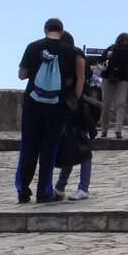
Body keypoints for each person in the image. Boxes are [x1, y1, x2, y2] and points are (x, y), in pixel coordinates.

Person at [16, 18, 84, 203]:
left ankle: (23, 190)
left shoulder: (33, 47)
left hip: (32, 104)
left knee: (28, 147)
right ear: (61, 31)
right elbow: (73, 81)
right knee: (48, 150)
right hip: (57, 106)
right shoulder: (70, 52)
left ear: (45, 29)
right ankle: (44, 192)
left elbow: (21, 75)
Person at [53, 80, 101, 201]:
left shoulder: (78, 61)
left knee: (83, 152)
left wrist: (75, 102)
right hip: (72, 106)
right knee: (69, 150)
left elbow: (79, 79)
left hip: (76, 110)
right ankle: (61, 187)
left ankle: (82, 188)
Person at [99, 33, 128, 139]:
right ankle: (104, 130)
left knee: (121, 104)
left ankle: (118, 130)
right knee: (106, 105)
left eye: (127, 40)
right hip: (108, 78)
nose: (125, 42)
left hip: (123, 79)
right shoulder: (111, 48)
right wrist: (108, 56)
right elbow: (101, 60)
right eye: (123, 40)